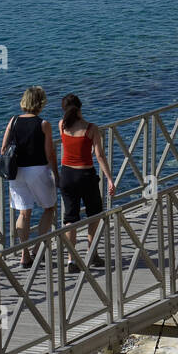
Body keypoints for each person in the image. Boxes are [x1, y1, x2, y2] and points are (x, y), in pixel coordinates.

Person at [0, 86, 59, 269]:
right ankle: (37, 249)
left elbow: (3, 150)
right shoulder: (44, 124)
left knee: (24, 212)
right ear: (41, 102)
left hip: (17, 173)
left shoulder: (14, 121)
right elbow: (50, 153)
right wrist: (56, 174)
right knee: (49, 208)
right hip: (37, 170)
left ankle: (24, 255)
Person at [58, 93, 115, 272]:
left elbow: (70, 147)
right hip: (86, 176)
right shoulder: (91, 128)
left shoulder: (61, 125)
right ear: (80, 108)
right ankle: (92, 253)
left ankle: (71, 260)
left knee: (70, 219)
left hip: (66, 175)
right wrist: (110, 179)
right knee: (95, 215)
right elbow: (99, 155)